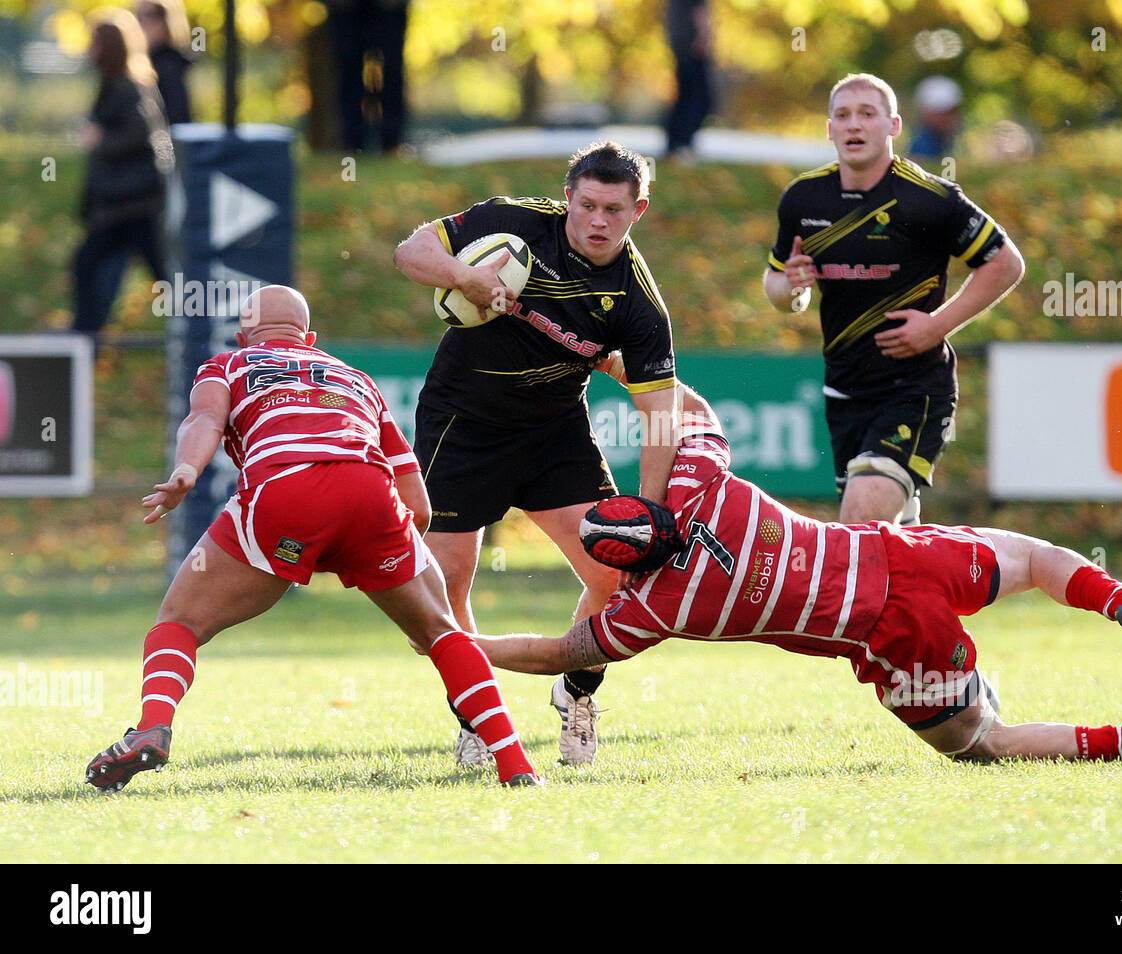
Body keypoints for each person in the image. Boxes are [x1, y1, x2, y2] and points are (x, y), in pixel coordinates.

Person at [471, 382, 1122, 766]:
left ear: (622, 567)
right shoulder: (704, 485)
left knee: (983, 743)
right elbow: (680, 400)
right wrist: (609, 357)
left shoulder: (660, 607)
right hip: (900, 555)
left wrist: (464, 645)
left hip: (889, 637)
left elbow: (565, 652)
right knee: (1038, 559)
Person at [85, 286, 541, 791]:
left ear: (243, 337)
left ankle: (152, 728)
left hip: (286, 490)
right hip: (371, 492)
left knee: (180, 621)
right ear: (312, 338)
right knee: (444, 633)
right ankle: (515, 763)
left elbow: (204, 419)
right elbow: (418, 503)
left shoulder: (229, 365)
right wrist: (392, 557)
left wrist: (186, 472)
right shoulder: (357, 380)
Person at [393, 141, 678, 766]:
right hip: (460, 423)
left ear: (639, 211)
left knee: (615, 571)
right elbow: (411, 251)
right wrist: (465, 277)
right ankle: (478, 715)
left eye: (614, 209)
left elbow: (660, 415)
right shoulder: (515, 221)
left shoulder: (636, 298)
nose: (597, 221)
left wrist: (649, 513)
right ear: (568, 196)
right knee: (443, 588)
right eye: (587, 205)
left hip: (554, 431)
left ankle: (576, 691)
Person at [763, 73, 1024, 527]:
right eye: (843, 115)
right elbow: (777, 287)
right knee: (884, 537)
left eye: (867, 114)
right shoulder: (804, 198)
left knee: (859, 520)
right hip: (843, 390)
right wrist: (792, 287)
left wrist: (937, 326)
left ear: (893, 126)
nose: (854, 125)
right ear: (829, 129)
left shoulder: (929, 199)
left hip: (914, 388)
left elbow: (1006, 263)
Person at [72, 9, 173, 342]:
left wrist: (101, 141)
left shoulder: (128, 88)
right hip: (124, 206)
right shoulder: (117, 85)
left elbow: (144, 135)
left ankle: (85, 337)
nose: (89, 48)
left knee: (94, 266)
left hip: (131, 205)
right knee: (94, 268)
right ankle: (87, 336)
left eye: (95, 42)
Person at [327, 0, 409, 153]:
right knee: (348, 72)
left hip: (390, 7)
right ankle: (351, 143)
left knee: (392, 71)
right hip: (346, 7)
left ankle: (392, 143)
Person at [663, 0, 714, 160]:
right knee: (698, 98)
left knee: (686, 97)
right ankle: (681, 143)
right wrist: (703, 39)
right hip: (693, 48)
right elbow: (700, 12)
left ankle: (677, 144)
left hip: (681, 46)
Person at [135, 0, 192, 125]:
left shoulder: (173, 65)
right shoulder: (140, 61)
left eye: (148, 16)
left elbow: (177, 116)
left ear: (166, 20)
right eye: (137, 16)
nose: (140, 24)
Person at [907, 75, 962, 163]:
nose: (950, 118)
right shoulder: (921, 150)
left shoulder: (952, 141)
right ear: (927, 112)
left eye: (953, 112)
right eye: (943, 113)